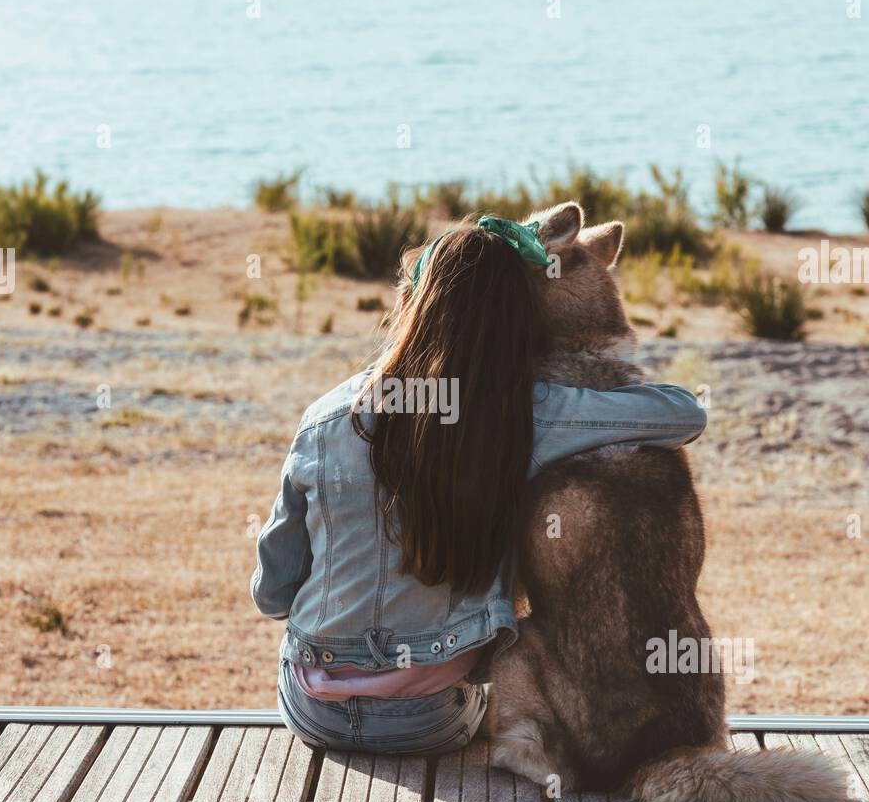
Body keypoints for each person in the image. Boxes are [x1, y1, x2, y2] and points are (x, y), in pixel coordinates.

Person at [251, 216, 707, 756]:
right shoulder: (525, 416)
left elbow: (271, 593)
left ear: (407, 307)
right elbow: (684, 414)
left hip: (313, 708)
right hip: (431, 719)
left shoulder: (324, 418)